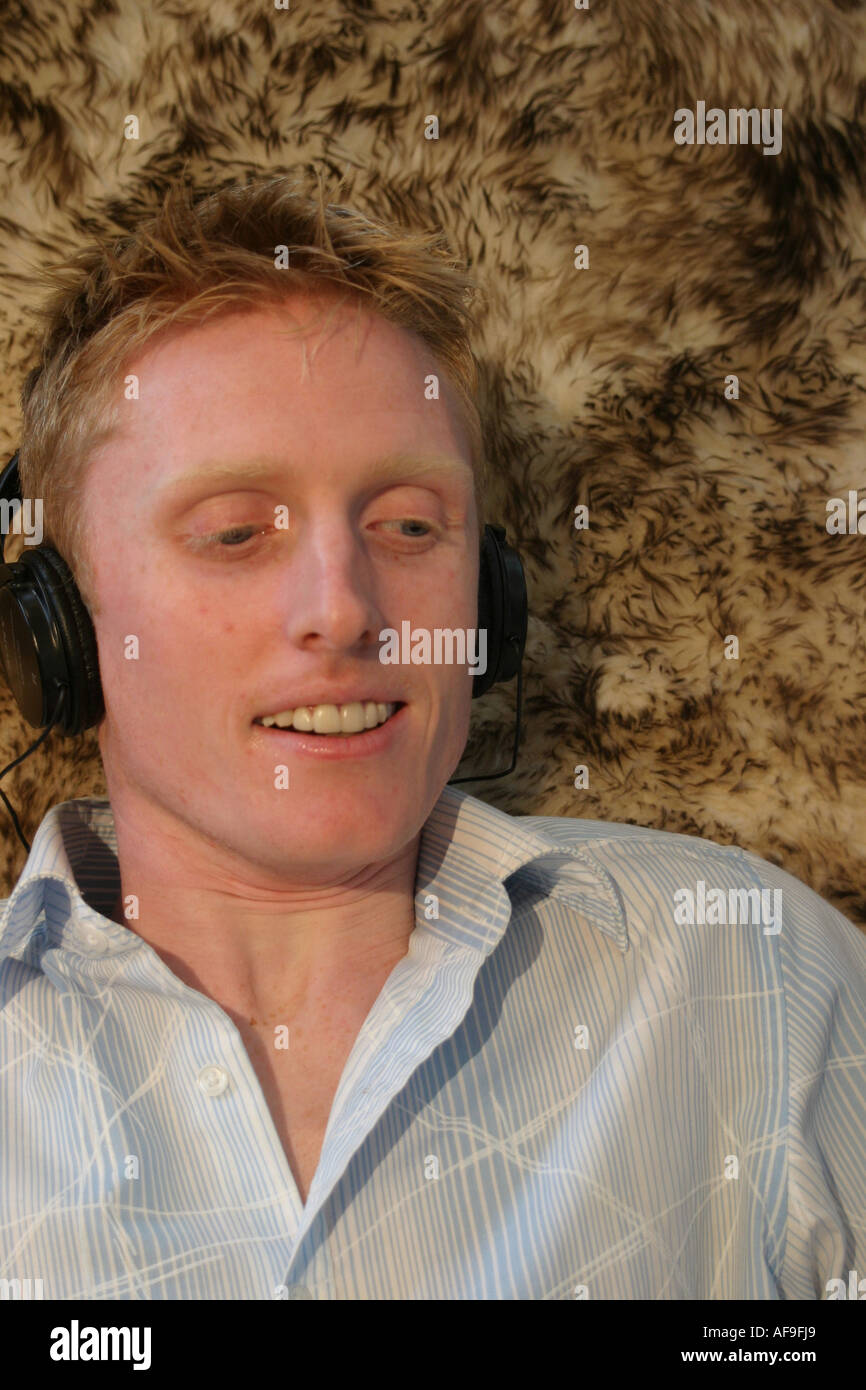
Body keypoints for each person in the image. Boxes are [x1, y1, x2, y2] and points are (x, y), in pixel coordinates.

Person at [0, 177, 864, 1301]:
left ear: (488, 604)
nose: (345, 607)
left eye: (407, 525)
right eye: (232, 533)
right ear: (55, 629)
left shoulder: (752, 974)